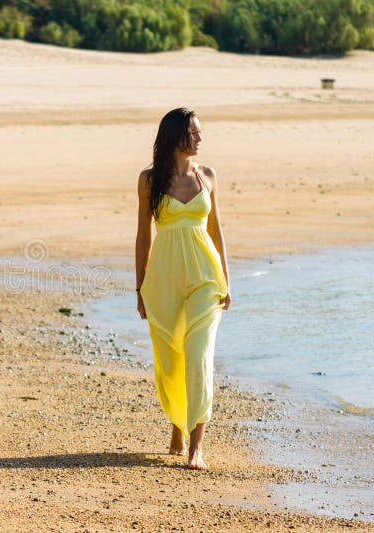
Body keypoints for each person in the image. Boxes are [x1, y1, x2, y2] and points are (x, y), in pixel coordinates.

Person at [135, 107, 231, 470]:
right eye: (194, 133)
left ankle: (196, 447)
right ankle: (177, 422)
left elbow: (216, 230)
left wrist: (227, 279)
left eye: (200, 133)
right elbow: (143, 236)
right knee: (171, 356)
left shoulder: (208, 176)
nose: (200, 138)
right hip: (163, 277)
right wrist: (139, 287)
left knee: (199, 352)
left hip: (206, 277)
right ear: (176, 136)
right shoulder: (149, 180)